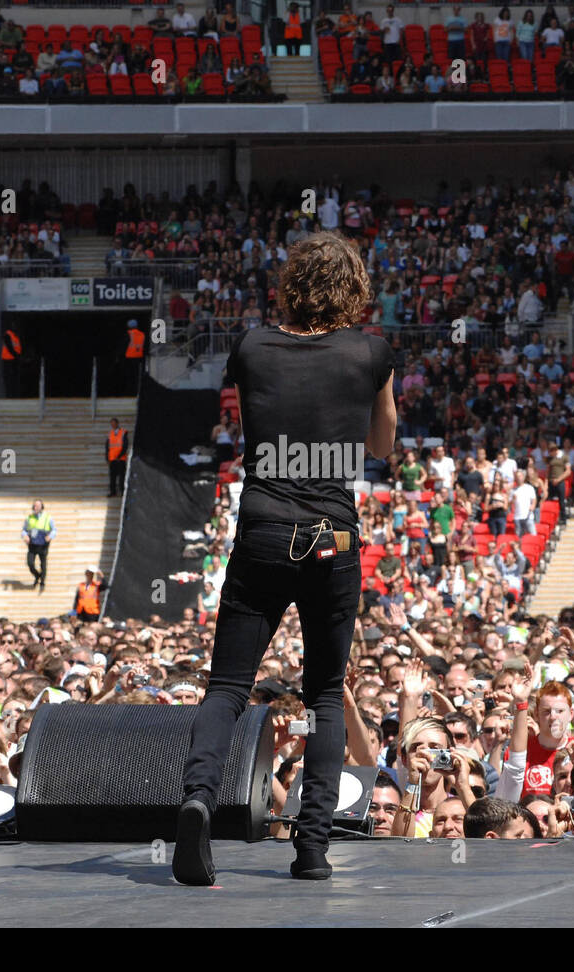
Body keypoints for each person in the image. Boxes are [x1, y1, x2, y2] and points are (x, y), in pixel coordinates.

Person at [175, 230, 395, 886]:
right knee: (326, 691)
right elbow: (381, 443)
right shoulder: (372, 352)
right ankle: (313, 845)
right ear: (354, 288)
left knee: (229, 684)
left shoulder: (250, 345)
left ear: (291, 285)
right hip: (334, 536)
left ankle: (197, 799)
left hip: (263, 528)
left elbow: (254, 423)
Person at [23, 499, 55, 591]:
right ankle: (37, 576)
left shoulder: (48, 517)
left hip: (43, 543)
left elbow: (54, 530)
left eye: (38, 506)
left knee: (43, 564)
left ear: (42, 507)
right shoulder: (29, 518)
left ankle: (42, 581)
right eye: (35, 506)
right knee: (30, 563)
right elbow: (24, 530)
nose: (36, 507)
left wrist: (50, 536)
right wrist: (25, 535)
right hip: (33, 544)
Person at [106, 418, 130, 497]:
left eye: (114, 423)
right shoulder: (110, 434)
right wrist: (107, 457)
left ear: (117, 423)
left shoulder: (123, 433)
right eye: (111, 423)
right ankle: (113, 492)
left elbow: (125, 446)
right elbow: (107, 447)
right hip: (112, 459)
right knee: (112, 477)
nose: (112, 425)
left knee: (122, 476)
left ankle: (122, 492)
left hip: (120, 459)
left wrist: (120, 455)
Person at [125, 318, 145, 395]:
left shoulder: (128, 334)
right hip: (139, 358)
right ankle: (138, 392)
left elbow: (123, 346)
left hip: (129, 358)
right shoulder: (142, 334)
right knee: (138, 377)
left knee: (130, 377)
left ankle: (130, 392)